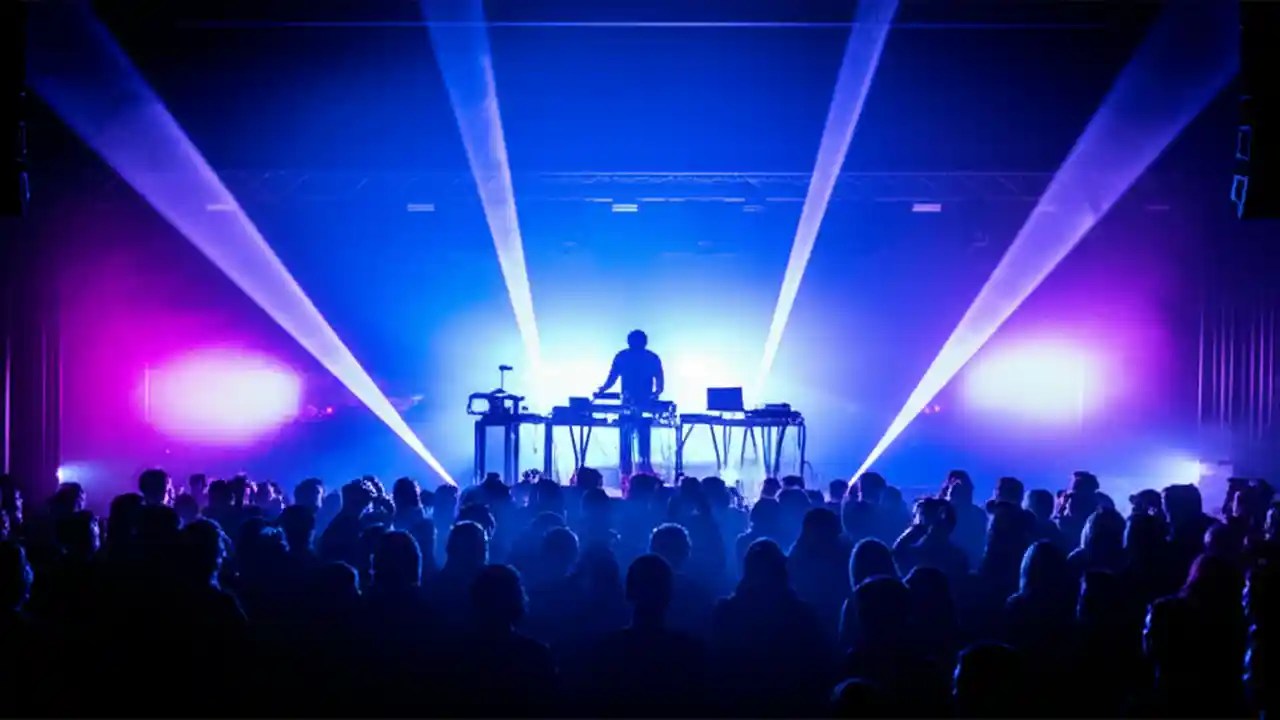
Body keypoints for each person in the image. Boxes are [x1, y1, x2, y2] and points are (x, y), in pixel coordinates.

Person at [597, 329, 664, 475]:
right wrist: (654, 396)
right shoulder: (651, 357)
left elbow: (612, 379)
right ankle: (643, 468)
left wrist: (602, 390)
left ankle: (628, 470)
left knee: (627, 437)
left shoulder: (623, 356)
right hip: (641, 404)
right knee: (641, 437)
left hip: (630, 404)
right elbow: (660, 384)